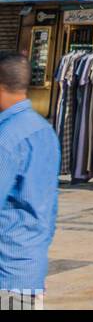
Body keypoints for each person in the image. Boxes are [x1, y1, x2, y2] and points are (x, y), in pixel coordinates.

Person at [0, 51, 61, 304]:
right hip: (29, 270)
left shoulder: (6, 138)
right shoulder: (44, 130)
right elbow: (49, 207)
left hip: (5, 274)